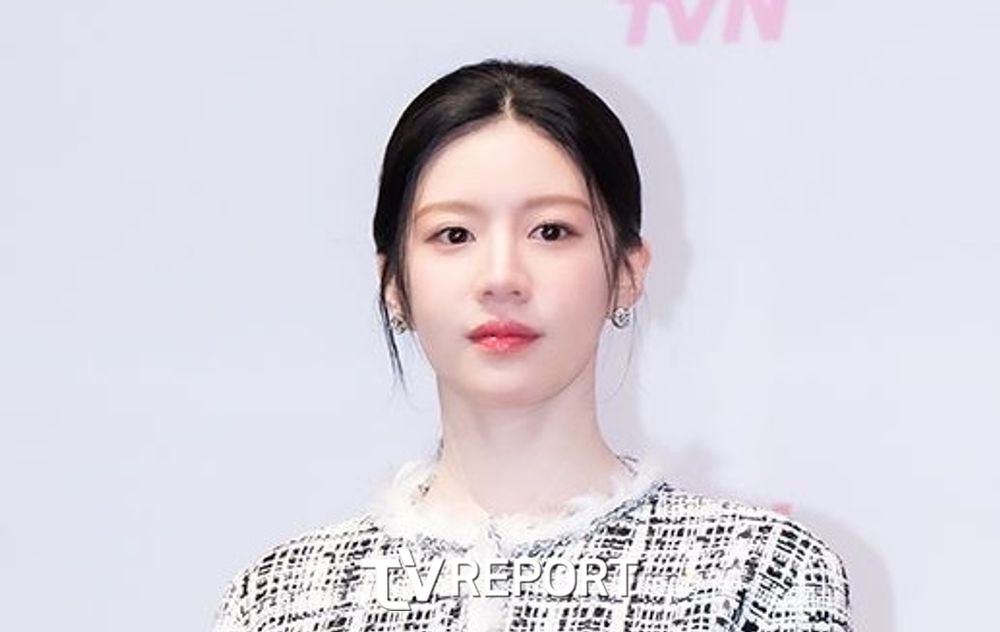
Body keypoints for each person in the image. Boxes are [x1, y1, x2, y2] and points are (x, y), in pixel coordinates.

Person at [211, 58, 853, 632]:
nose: (501, 278)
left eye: (550, 231)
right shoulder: (282, 603)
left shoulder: (754, 579)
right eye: (454, 235)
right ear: (394, 284)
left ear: (627, 272)